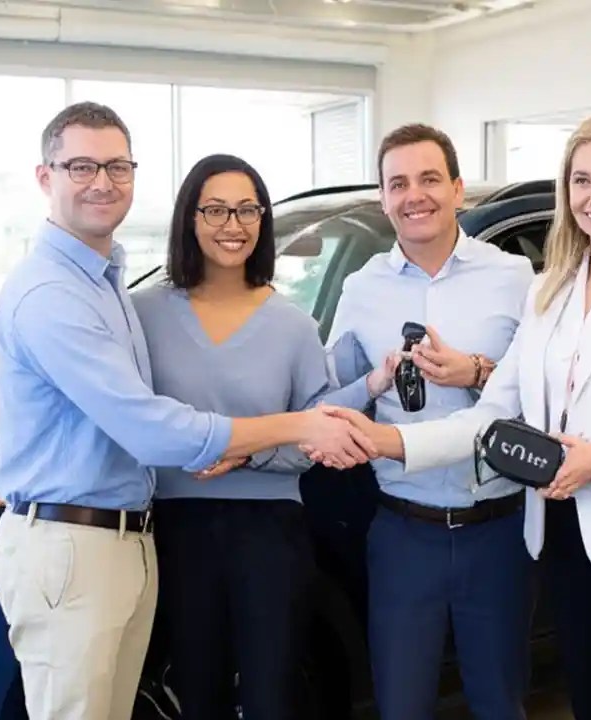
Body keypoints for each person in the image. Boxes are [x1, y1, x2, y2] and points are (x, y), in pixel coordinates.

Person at [317, 112, 591, 720]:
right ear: (565, 191)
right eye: (581, 181)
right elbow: (491, 418)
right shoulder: (551, 290)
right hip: (562, 536)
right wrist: (389, 441)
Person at [0, 102, 375, 720]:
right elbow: (148, 426)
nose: (102, 182)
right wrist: (285, 428)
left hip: (146, 539)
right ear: (45, 177)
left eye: (117, 167)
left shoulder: (107, 285)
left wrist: (365, 388)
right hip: (96, 541)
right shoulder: (65, 293)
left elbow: (317, 421)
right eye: (82, 166)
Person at [130, 153, 399, 719]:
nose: (233, 225)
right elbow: (131, 418)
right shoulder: (143, 314)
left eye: (247, 210)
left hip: (271, 534)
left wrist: (248, 455)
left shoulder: (292, 325)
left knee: (272, 696)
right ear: (189, 218)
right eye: (216, 210)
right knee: (196, 695)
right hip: (177, 531)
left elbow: (313, 431)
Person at [323, 123, 537, 720]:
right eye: (398, 184)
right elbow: (332, 395)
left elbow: (545, 398)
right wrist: (372, 385)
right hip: (403, 534)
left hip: (498, 530)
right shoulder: (361, 288)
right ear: (383, 198)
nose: (414, 195)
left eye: (429, 179)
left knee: (501, 703)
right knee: (401, 705)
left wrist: (477, 371)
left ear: (457, 190)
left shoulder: (514, 278)